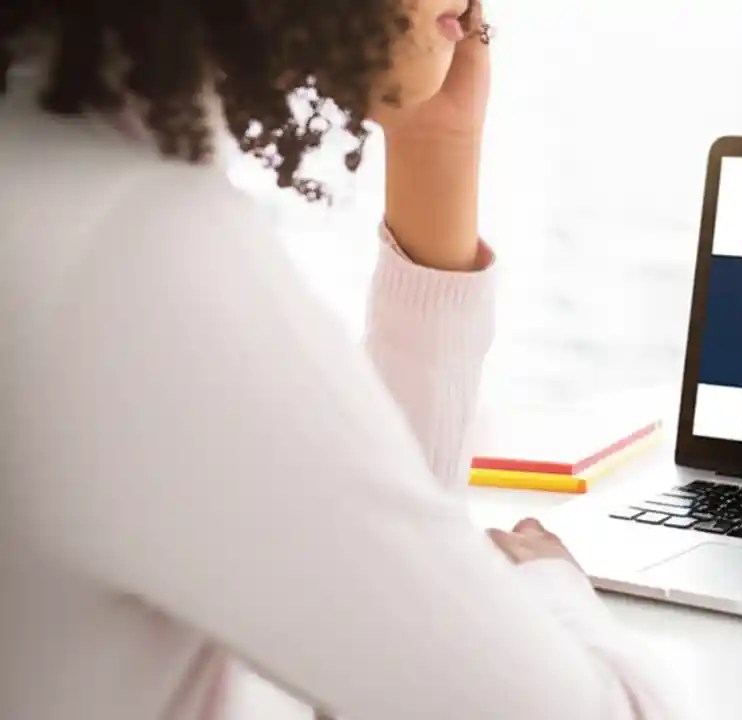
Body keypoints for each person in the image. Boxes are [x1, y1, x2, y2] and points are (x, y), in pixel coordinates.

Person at [0, 2, 677, 718]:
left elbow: (385, 587)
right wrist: (551, 590)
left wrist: (435, 150)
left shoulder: (54, 179)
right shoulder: (138, 256)